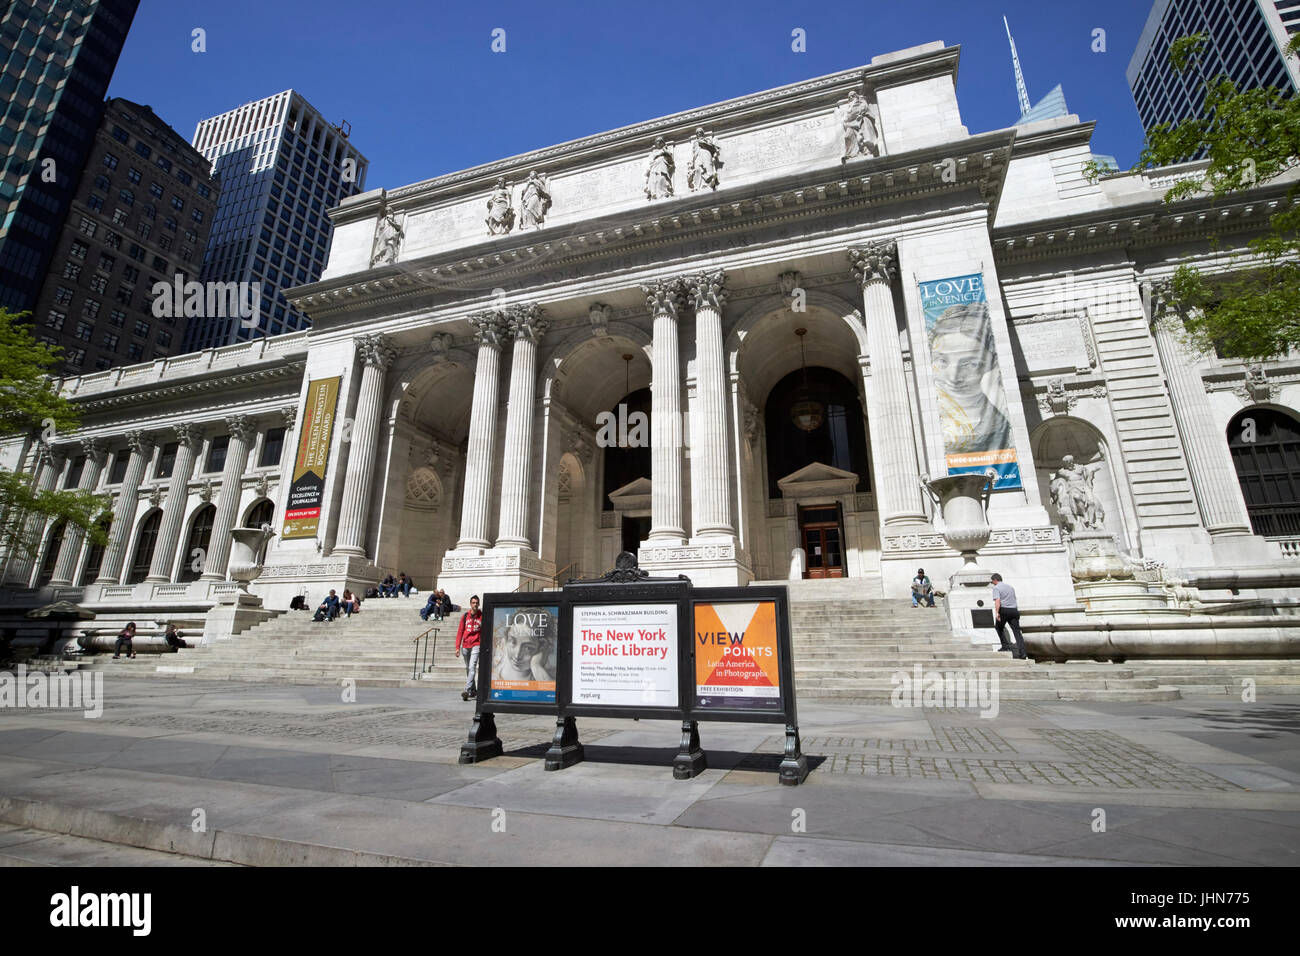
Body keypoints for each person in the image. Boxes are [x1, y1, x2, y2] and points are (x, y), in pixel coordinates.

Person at [930, 302, 1013, 458]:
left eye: (970, 363)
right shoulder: (927, 426)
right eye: (942, 361)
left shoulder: (1004, 428)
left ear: (993, 362)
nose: (953, 377)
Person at [990, 573, 1027, 659]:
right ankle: (1023, 652)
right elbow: (1014, 599)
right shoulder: (1010, 587)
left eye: (992, 582)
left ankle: (1005, 646)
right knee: (1017, 632)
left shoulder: (996, 588)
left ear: (995, 580)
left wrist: (997, 612)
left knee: (998, 627)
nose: (993, 584)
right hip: (1014, 610)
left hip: (1004, 610)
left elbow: (997, 601)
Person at [455, 595, 483, 701]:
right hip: (465, 645)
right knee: (468, 668)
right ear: (470, 604)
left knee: (472, 667)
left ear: (479, 604)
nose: (475, 604)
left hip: (477, 644)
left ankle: (466, 690)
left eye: (476, 603)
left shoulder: (482, 616)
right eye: (473, 602)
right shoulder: (465, 615)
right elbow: (460, 631)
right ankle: (473, 690)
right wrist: (457, 647)